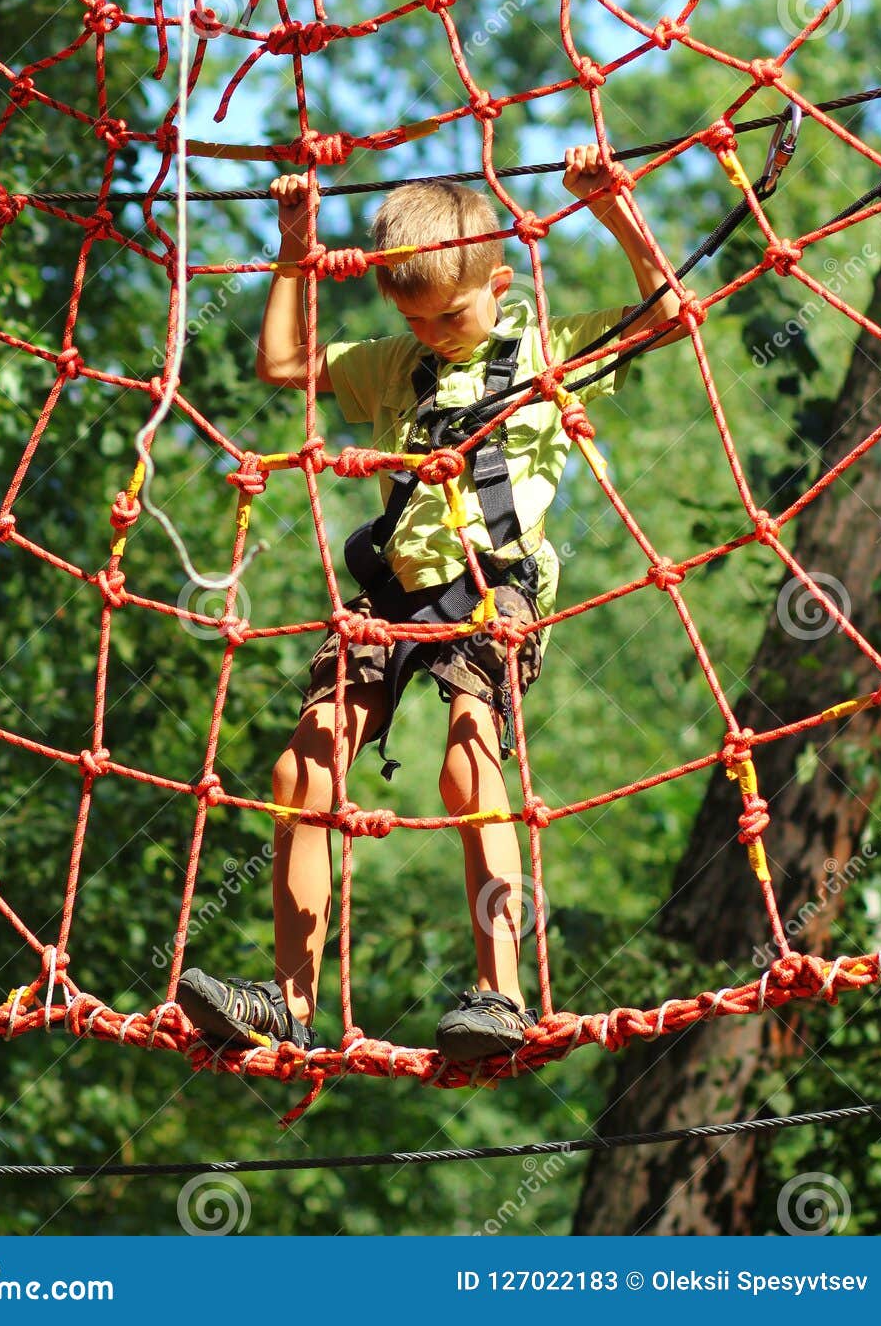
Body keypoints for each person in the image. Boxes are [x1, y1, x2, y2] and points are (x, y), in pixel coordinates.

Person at [178, 144, 688, 1060]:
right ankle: (288, 1001)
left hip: (490, 584)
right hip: (389, 588)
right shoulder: (392, 362)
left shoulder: (547, 347)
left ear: (500, 281)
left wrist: (611, 205)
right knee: (303, 769)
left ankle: (499, 994)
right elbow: (283, 363)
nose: (437, 331)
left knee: (468, 760)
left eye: (452, 312)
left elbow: (669, 319)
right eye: (414, 316)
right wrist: (296, 244)